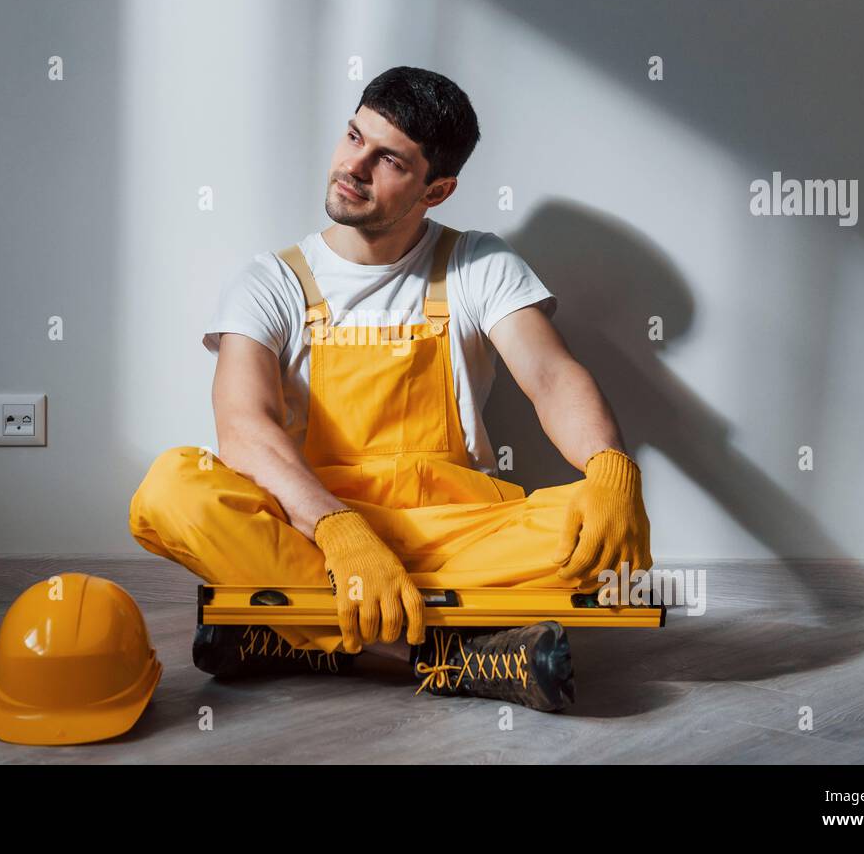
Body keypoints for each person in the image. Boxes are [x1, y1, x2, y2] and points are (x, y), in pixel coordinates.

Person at [129, 66, 652, 712]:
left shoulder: (477, 262)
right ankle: (444, 653)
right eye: (353, 136)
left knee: (602, 536)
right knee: (171, 488)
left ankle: (291, 629)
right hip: (313, 528)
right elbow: (243, 425)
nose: (353, 165)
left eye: (388, 160)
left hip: (450, 529)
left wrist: (610, 468)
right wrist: (340, 530)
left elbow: (552, 377)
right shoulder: (270, 281)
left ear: (437, 189)